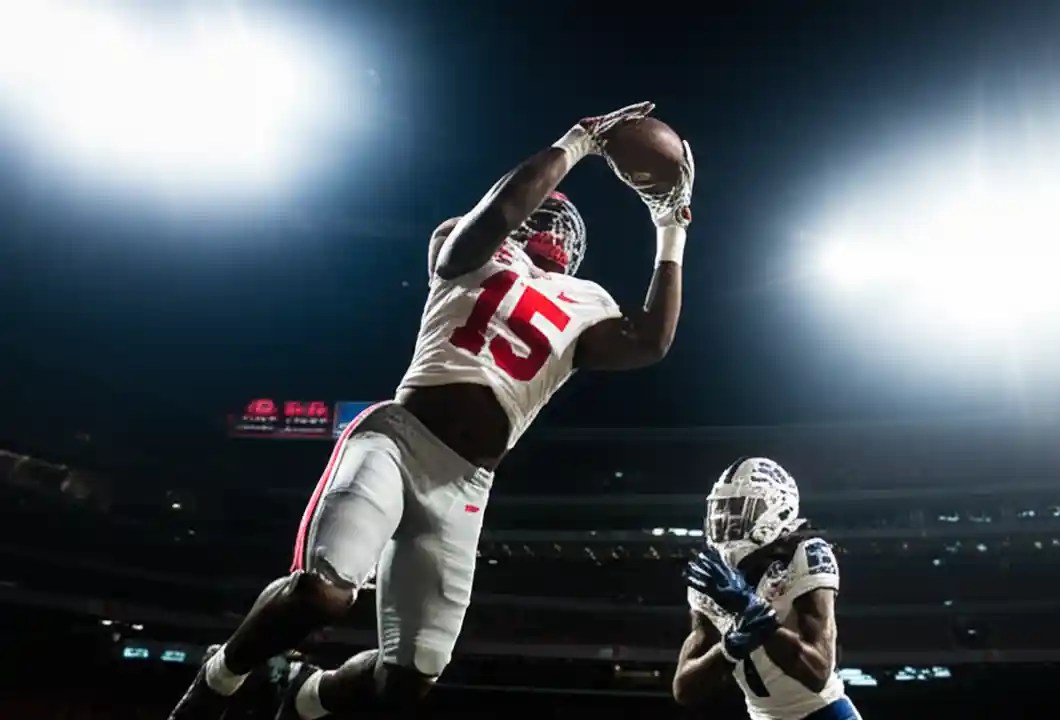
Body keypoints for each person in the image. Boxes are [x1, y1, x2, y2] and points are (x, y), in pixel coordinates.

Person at [168, 100, 694, 719]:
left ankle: (308, 695)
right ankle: (218, 679)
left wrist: (671, 225)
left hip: (465, 485)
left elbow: (651, 342)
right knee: (323, 594)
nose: (548, 225)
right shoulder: (468, 244)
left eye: (558, 221)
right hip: (398, 440)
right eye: (539, 211)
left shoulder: (587, 301)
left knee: (409, 679)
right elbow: (500, 213)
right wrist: (577, 142)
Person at [676, 458, 862, 720]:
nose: (726, 522)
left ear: (779, 510)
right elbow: (684, 689)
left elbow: (817, 672)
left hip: (823, 713)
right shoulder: (713, 575)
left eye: (739, 510)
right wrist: (729, 648)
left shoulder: (805, 554)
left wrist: (751, 610)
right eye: (722, 511)